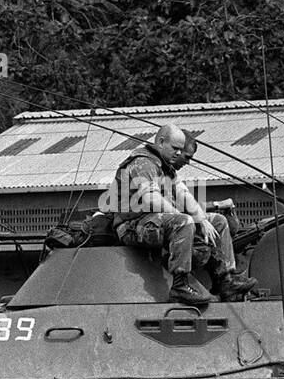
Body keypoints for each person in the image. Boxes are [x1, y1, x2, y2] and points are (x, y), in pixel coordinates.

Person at [108, 124, 256, 307]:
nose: (179, 154)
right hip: (133, 225)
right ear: (161, 142)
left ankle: (225, 281)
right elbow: (151, 199)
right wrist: (187, 219)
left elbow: (183, 193)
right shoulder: (142, 162)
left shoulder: (166, 167)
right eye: (175, 148)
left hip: (155, 222)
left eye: (180, 149)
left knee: (218, 221)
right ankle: (180, 286)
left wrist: (200, 219)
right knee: (184, 221)